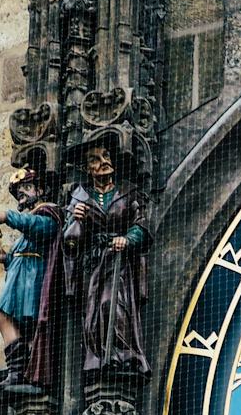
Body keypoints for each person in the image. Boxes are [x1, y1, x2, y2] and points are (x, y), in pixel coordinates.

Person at [25, 132, 152, 390]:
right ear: (87, 168)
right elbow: (69, 243)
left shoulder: (129, 192)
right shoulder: (79, 196)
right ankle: (99, 358)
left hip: (120, 264)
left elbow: (142, 227)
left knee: (113, 305)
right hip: (93, 265)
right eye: (95, 159)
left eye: (106, 156)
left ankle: (123, 355)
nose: (103, 162)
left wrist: (127, 239)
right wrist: (77, 221)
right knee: (94, 311)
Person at [0, 168, 62, 391]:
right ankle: (16, 371)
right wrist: (4, 258)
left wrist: (6, 216)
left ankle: (34, 376)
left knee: (31, 325)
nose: (21, 194)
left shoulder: (48, 212)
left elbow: (44, 230)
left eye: (25, 188)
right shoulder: (28, 223)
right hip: (19, 281)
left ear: (40, 190)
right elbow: (23, 252)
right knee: (4, 317)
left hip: (34, 282)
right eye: (18, 192)